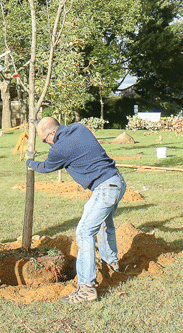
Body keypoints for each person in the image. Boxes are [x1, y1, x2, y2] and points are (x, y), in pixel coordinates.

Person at [25, 117, 126, 304]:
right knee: (104, 223)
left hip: (105, 189)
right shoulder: (79, 128)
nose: (46, 144)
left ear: (51, 134)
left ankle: (86, 288)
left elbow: (47, 166)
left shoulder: (60, 149)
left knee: (84, 232)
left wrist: (30, 163)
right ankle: (111, 264)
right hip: (116, 181)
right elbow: (55, 132)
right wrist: (38, 123)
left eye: (44, 139)